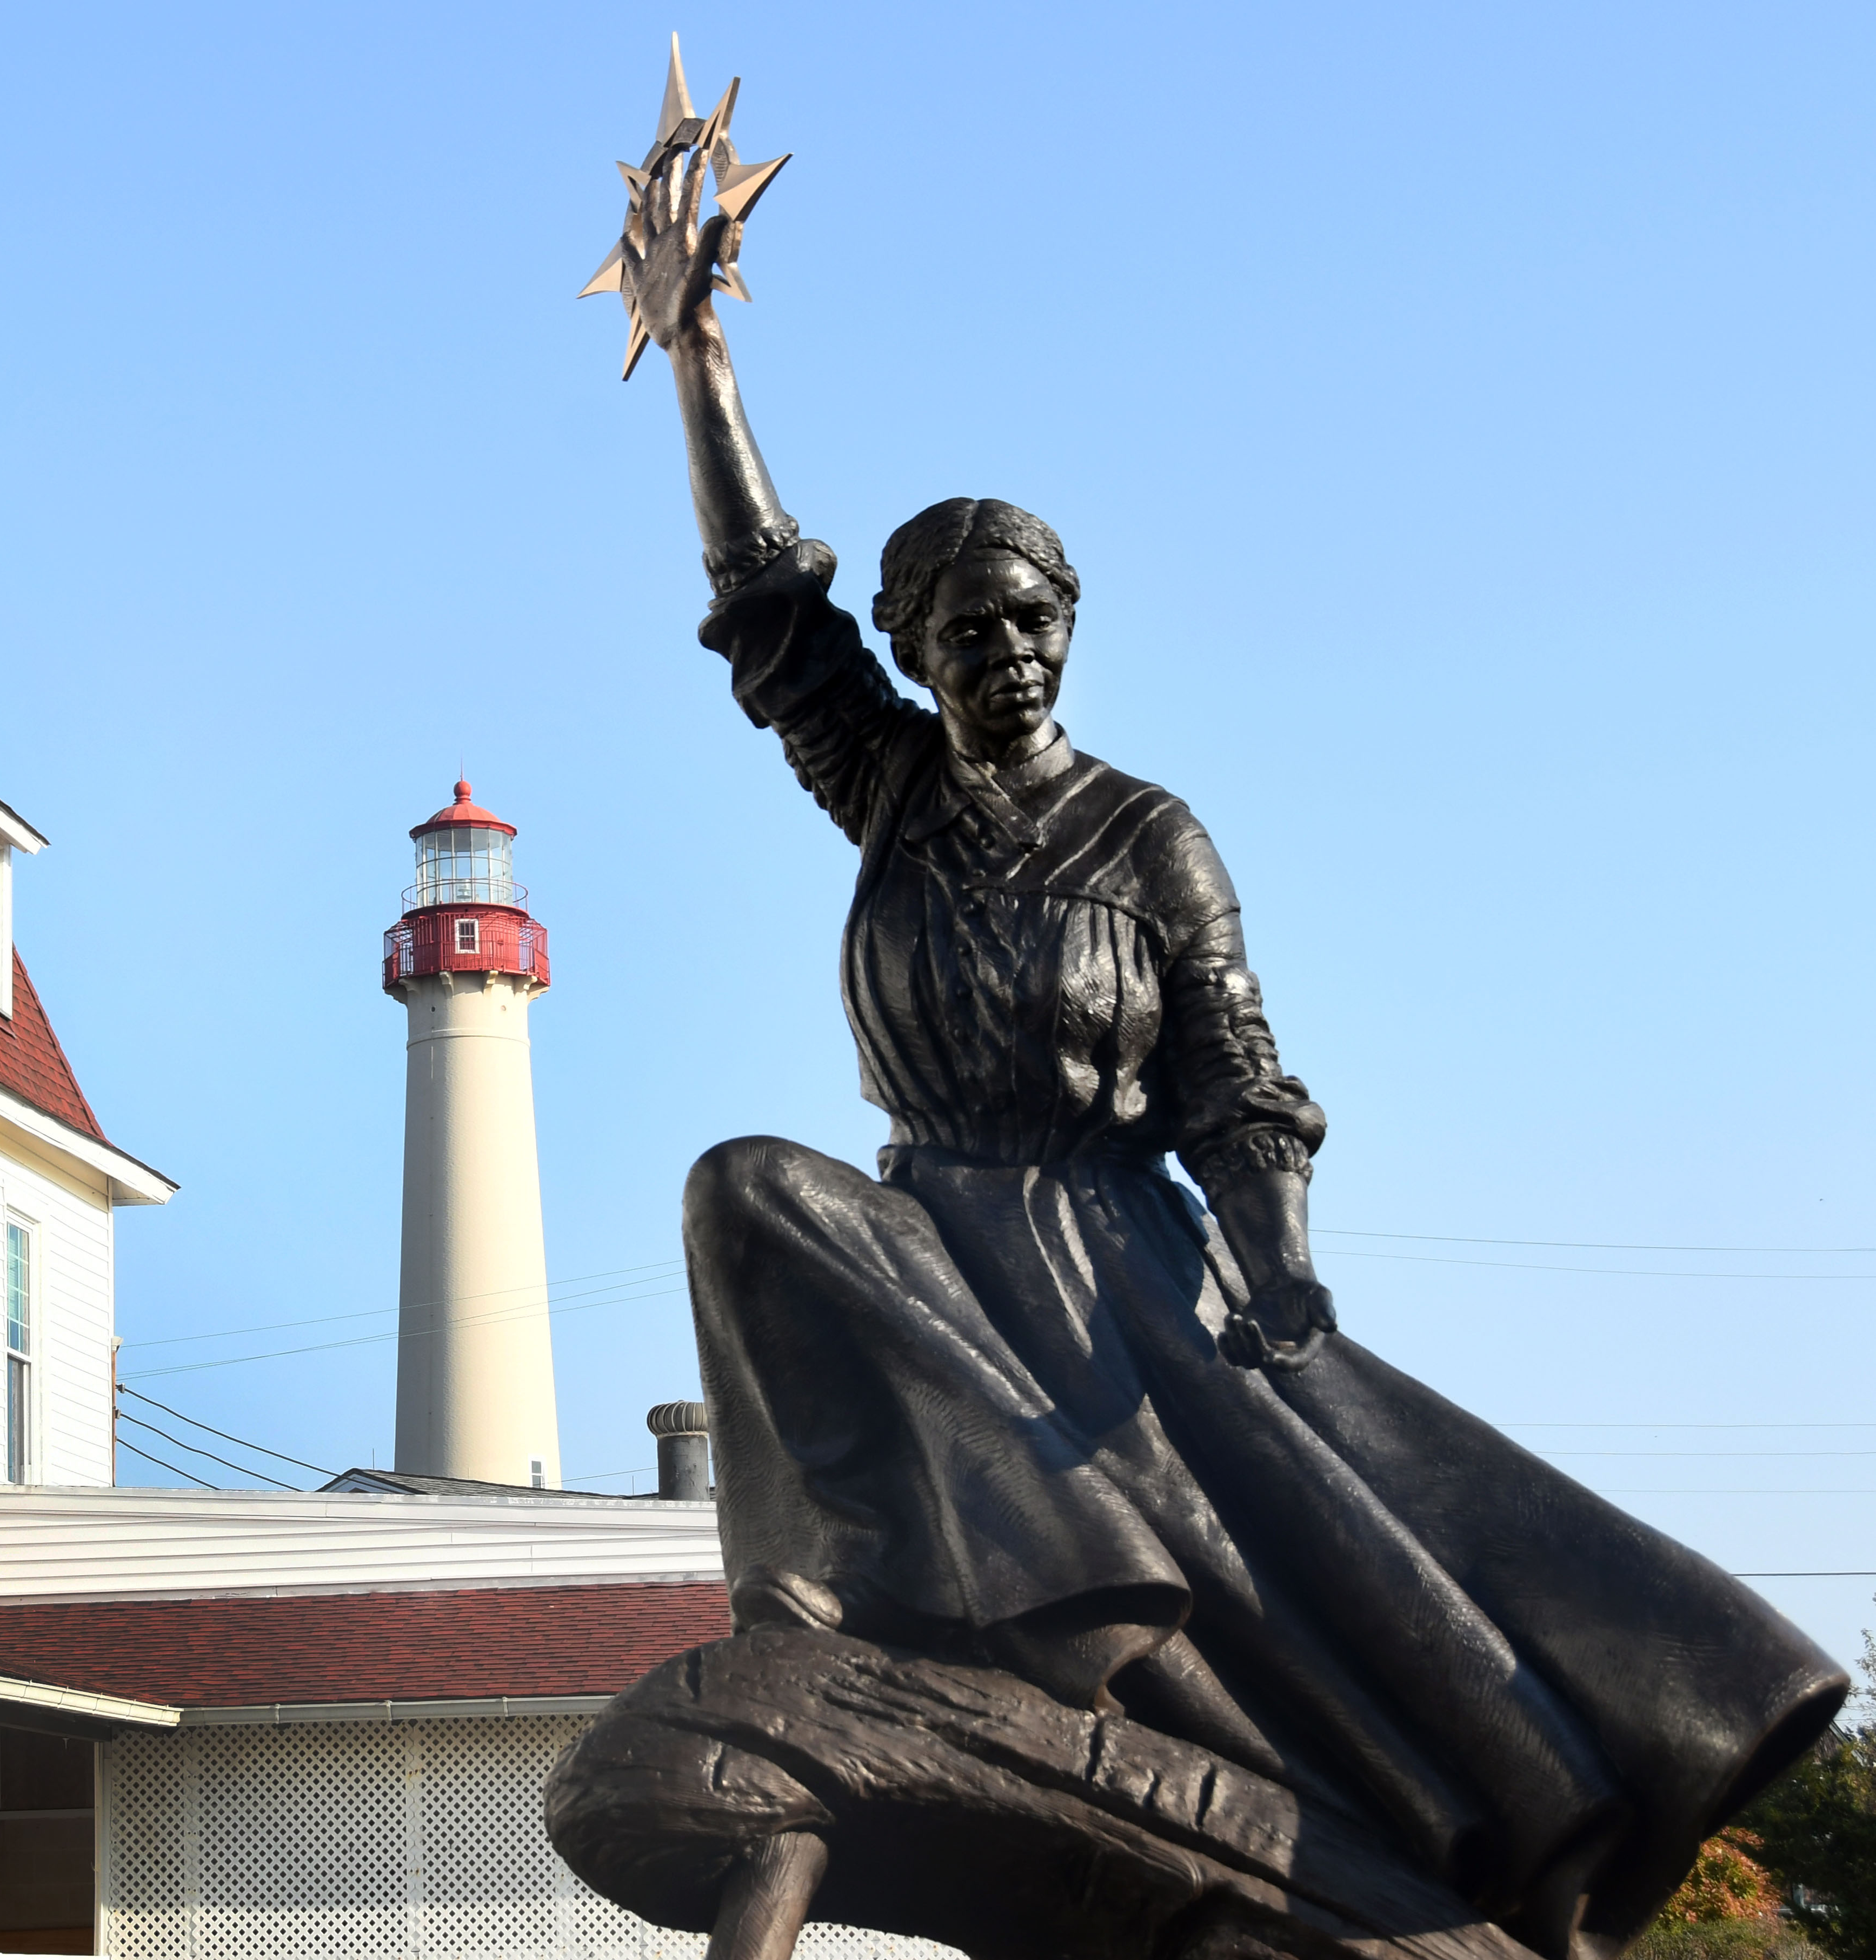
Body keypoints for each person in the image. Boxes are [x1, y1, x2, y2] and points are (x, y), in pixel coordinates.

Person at [613, 134, 1843, 1960]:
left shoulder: (1149, 835)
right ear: (916, 650)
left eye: (1033, 621)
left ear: (1071, 627)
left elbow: (1236, 1078)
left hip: (1117, 1267)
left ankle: (1397, 1847)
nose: (1008, 655)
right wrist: (702, 368)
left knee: (1299, 1607)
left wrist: (1269, 1252)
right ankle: (825, 1602)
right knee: (743, 1189)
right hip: (933, 1237)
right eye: (965, 632)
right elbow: (764, 616)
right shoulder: (887, 791)